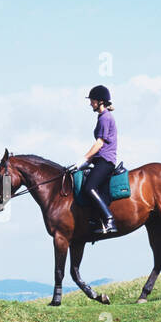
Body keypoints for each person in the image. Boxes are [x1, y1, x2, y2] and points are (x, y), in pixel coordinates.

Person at [69, 85, 118, 234]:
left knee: (89, 187)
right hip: (99, 160)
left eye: (92, 100)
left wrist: (83, 159)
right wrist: (85, 163)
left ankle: (109, 220)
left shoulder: (105, 118)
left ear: (100, 101)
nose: (90, 103)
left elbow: (100, 143)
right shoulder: (102, 117)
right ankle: (95, 219)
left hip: (105, 160)